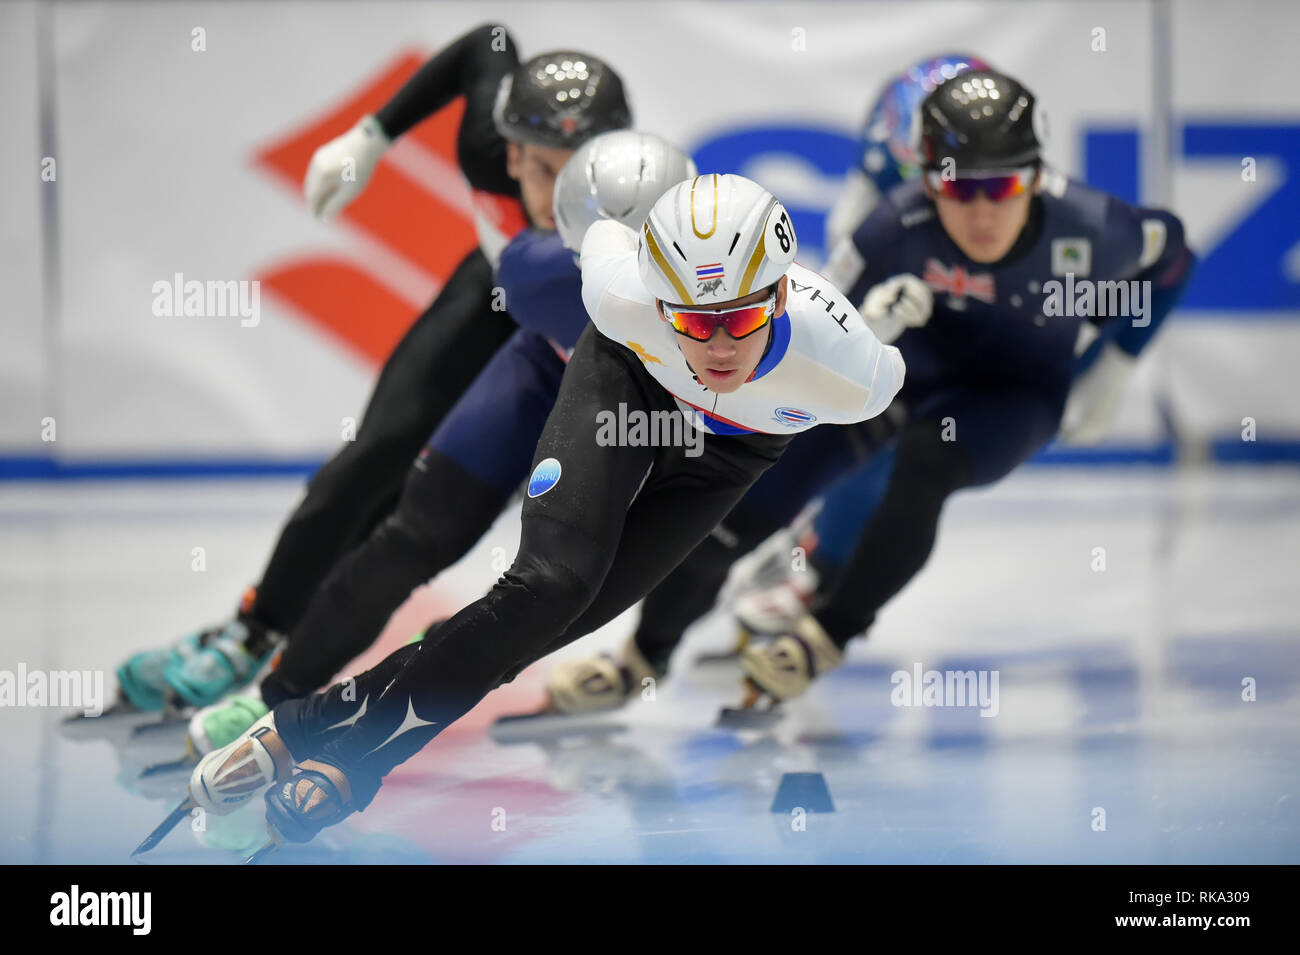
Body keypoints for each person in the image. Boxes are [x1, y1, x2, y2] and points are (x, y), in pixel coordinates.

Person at [179, 173, 905, 849]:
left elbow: (897, 382)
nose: (715, 345)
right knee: (548, 587)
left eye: (739, 317)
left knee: (539, 629)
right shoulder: (623, 294)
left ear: (780, 299)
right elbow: (592, 232)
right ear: (658, 303)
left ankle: (323, 736)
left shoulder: (852, 373)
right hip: (626, 383)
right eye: (689, 318)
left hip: (727, 456)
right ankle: (335, 754)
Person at [542, 66, 1197, 713]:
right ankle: (641, 658)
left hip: (1009, 396)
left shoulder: (1092, 226)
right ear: (923, 178)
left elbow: (1174, 258)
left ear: (1036, 176)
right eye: (955, 186)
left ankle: (824, 637)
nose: (981, 209)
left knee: (927, 463)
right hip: (904, 375)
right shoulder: (895, 226)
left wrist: (1116, 363)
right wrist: (868, 324)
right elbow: (809, 323)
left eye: (1003, 184)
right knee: (739, 499)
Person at [109, 26, 632, 714]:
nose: (560, 193)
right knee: (376, 453)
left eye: (578, 170)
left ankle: (302, 653)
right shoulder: (484, 145)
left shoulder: (633, 193)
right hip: (499, 293)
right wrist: (373, 136)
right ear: (508, 150)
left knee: (426, 499)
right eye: (541, 168)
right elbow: (489, 42)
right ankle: (253, 629)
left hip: (576, 308)